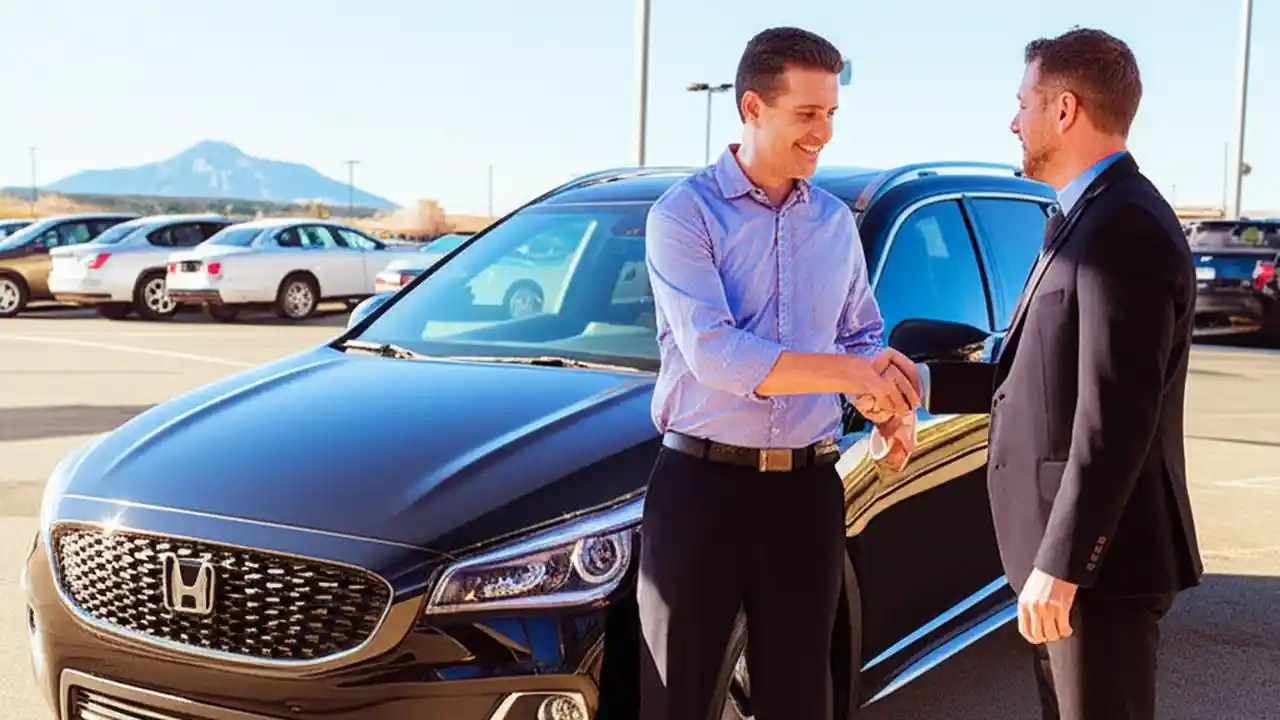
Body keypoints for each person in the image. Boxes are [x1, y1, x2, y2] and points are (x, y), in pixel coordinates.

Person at [909, 27, 1204, 720]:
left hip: (1101, 572)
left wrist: (1066, 563)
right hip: (1075, 570)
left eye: (1024, 103)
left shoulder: (1123, 227)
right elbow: (1037, 384)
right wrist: (919, 382)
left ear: (1065, 110)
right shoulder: (1089, 217)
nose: (1014, 121)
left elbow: (1115, 415)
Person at [637, 26, 921, 720]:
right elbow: (716, 355)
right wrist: (854, 374)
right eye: (807, 114)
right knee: (676, 700)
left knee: (801, 700)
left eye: (830, 114)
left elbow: (862, 334)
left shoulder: (834, 222)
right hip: (700, 492)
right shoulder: (683, 215)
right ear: (752, 108)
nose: (823, 133)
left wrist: (890, 404)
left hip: (805, 496)